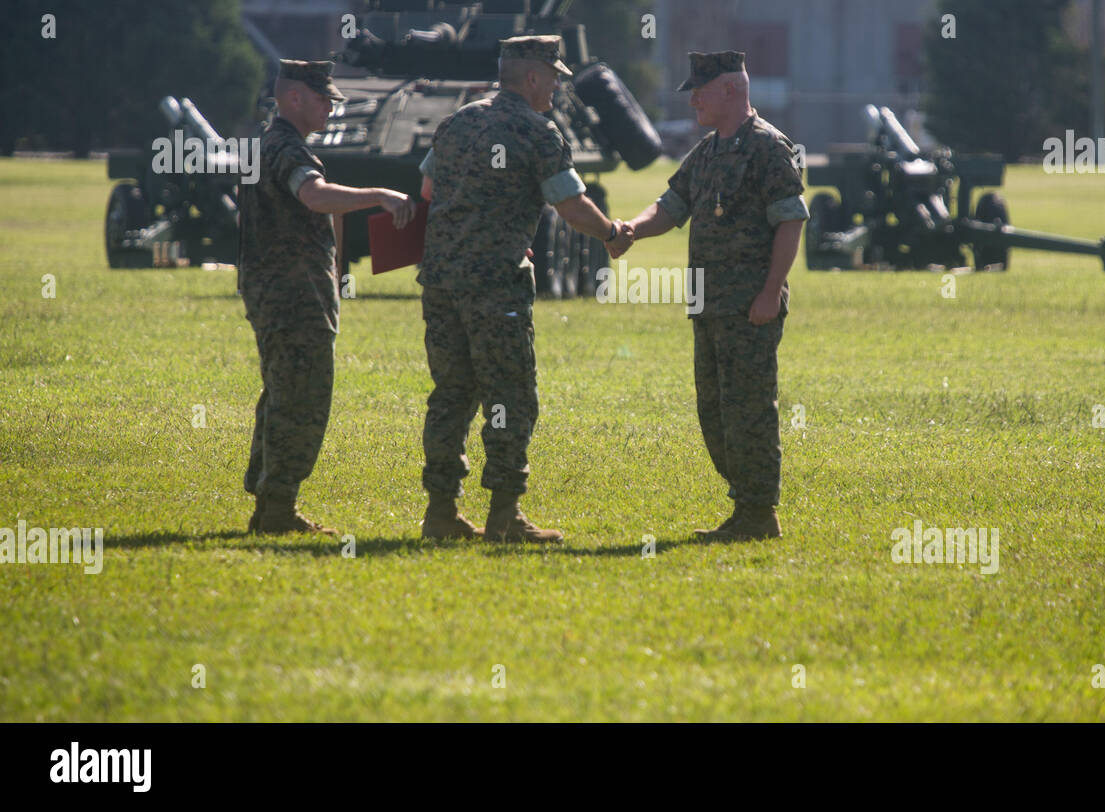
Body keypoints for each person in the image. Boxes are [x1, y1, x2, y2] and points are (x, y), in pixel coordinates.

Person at [417, 35, 632, 543]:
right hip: (495, 285)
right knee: (509, 395)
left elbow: (428, 191)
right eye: (554, 76)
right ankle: (504, 515)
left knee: (451, 393)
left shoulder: (457, 121)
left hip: (442, 280)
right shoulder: (538, 132)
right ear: (531, 77)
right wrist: (610, 235)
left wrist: (494, 221)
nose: (558, 86)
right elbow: (572, 207)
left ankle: (441, 512)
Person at [623, 51, 808, 541]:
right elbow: (669, 206)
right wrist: (629, 230)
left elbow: (790, 221)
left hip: (750, 306)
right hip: (707, 303)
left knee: (749, 406)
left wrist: (770, 292)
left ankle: (759, 513)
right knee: (715, 410)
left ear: (731, 89)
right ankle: (743, 504)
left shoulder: (768, 148)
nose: (693, 100)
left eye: (701, 91)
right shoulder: (707, 151)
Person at [240, 59, 416, 534]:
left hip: (280, 287)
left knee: (283, 389)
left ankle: (269, 498)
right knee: (303, 394)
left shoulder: (268, 143)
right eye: (322, 100)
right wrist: (381, 194)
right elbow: (315, 198)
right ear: (293, 97)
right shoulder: (287, 148)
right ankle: (277, 506)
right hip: (292, 292)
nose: (330, 110)